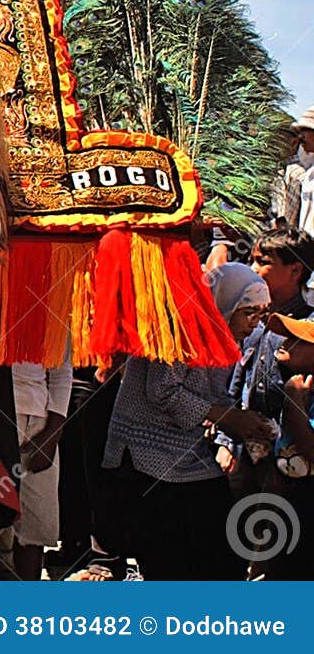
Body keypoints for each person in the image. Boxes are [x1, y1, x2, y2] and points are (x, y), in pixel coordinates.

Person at [100, 262, 277, 579]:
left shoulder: (225, 338)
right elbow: (162, 390)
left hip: (189, 456)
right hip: (148, 455)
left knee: (217, 552)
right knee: (172, 555)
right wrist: (227, 417)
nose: (255, 323)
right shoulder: (179, 326)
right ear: (226, 301)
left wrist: (246, 423)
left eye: (260, 314)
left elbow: (215, 394)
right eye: (249, 312)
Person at [0, 352, 71, 581]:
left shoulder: (56, 316)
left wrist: (52, 433)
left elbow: (62, 373)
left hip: (39, 424)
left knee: (35, 524)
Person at [221, 232, 314, 492]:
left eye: (263, 262)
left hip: (291, 454)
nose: (253, 269)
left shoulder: (307, 330)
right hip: (245, 449)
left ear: (294, 270)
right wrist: (225, 441)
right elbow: (235, 382)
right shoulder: (250, 323)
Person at [262, 312, 314, 578]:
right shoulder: (298, 384)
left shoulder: (298, 391)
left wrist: (294, 401)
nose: (284, 341)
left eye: (297, 339)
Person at [271, 108, 314, 237]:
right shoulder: (309, 174)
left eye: (304, 130)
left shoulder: (297, 173)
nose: (300, 137)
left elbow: (290, 216)